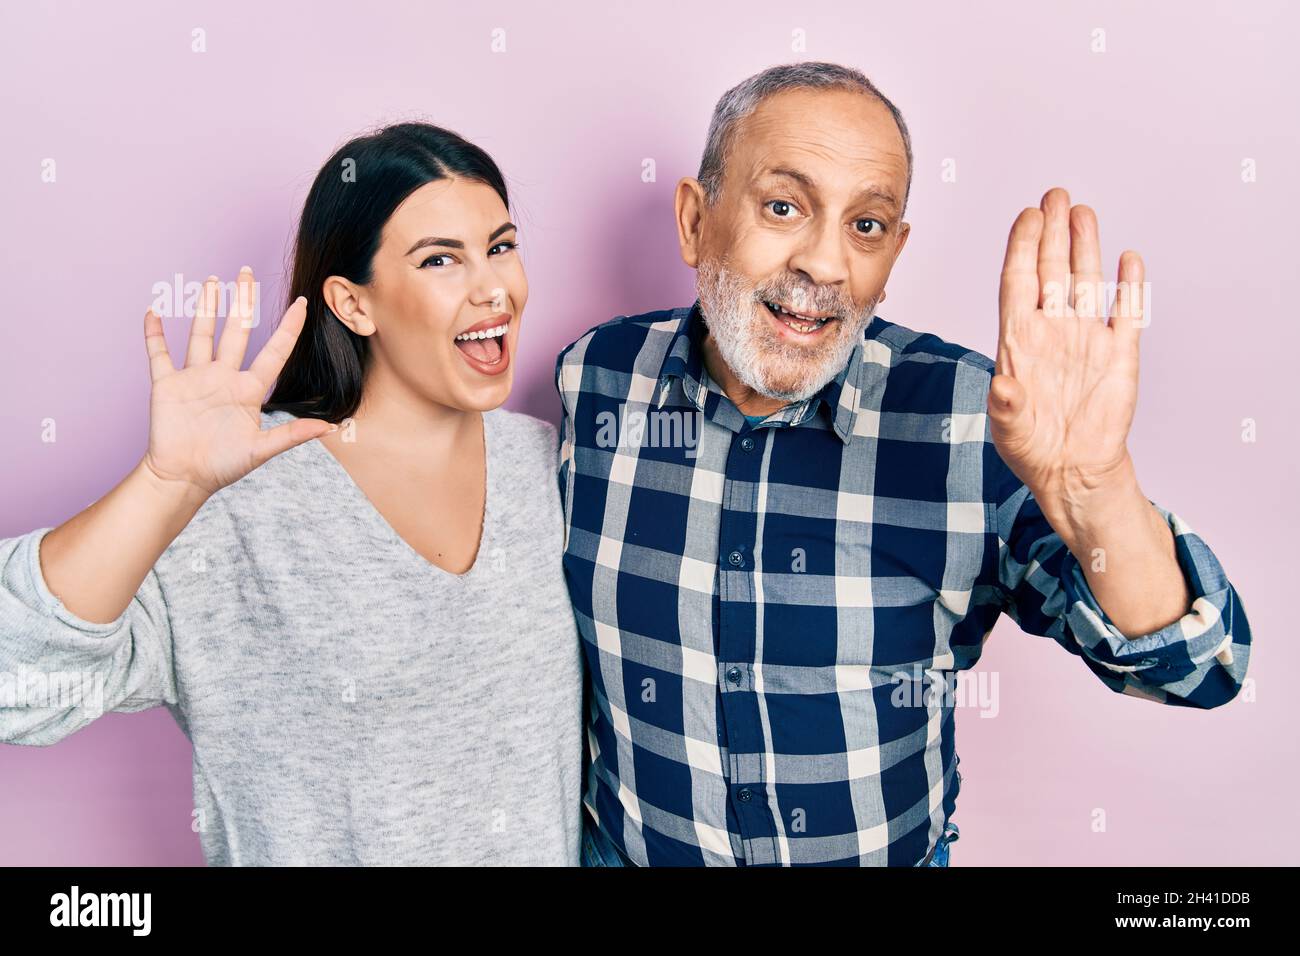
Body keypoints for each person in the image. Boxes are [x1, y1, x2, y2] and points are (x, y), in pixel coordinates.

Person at [557, 62, 1251, 867]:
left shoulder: (974, 419)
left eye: (867, 226)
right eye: (783, 207)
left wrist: (1096, 489)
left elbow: (1199, 672)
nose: (823, 265)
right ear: (693, 221)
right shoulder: (594, 381)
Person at [0, 123, 583, 865]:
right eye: (441, 259)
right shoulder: (238, 503)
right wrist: (164, 486)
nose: (493, 287)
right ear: (353, 303)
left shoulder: (554, 470)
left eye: (500, 246)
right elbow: (17, 681)